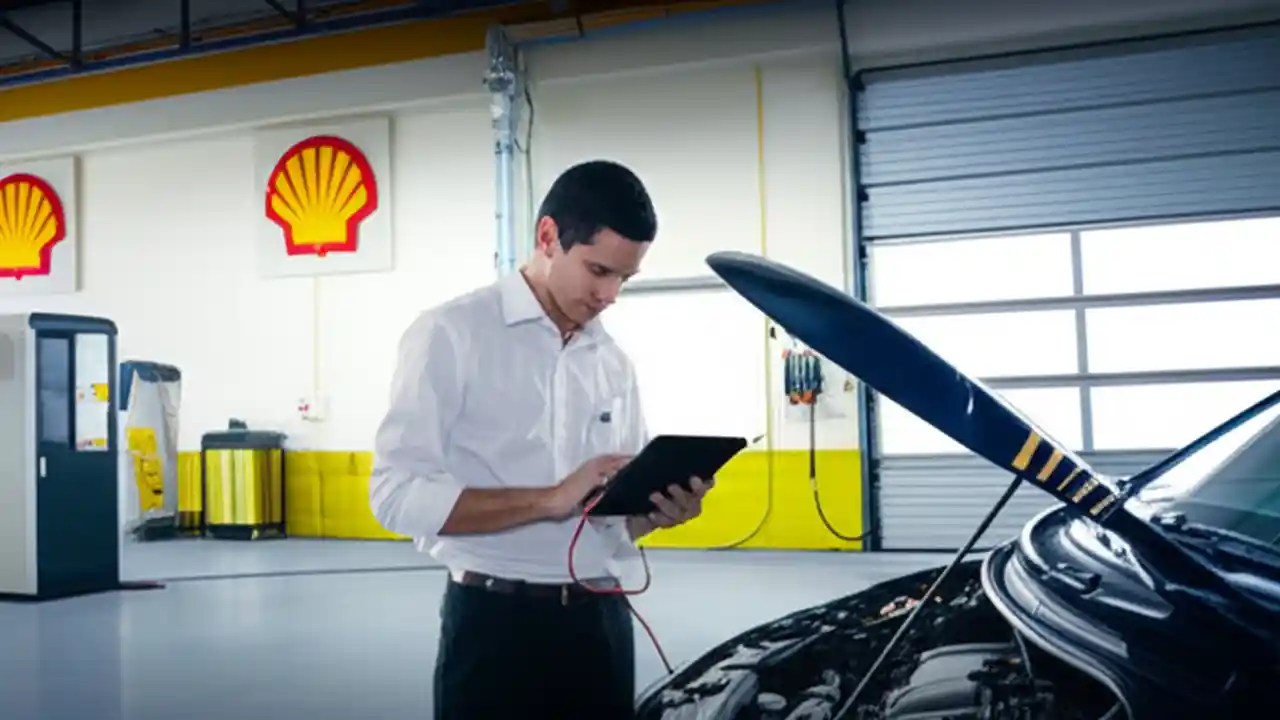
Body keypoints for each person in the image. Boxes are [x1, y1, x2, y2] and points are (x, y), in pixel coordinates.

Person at [369, 159, 715, 719]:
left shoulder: (613, 363)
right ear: (548, 236)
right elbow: (394, 495)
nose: (610, 295)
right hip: (494, 627)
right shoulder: (450, 334)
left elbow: (612, 518)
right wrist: (549, 498)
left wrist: (656, 511)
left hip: (602, 623)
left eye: (624, 278)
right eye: (598, 270)